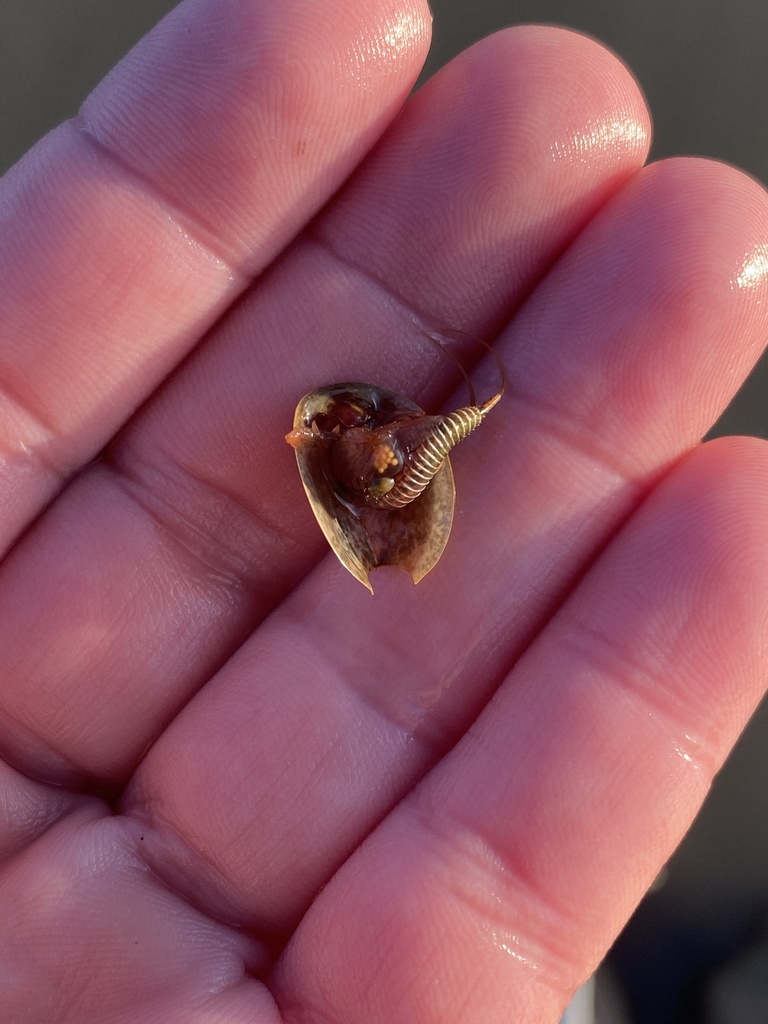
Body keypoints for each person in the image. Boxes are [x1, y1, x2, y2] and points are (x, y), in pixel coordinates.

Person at [1, 1, 767, 1020]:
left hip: (405, 459)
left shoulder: (380, 448)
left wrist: (409, 449)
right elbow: (344, 437)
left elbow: (371, 441)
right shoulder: (350, 446)